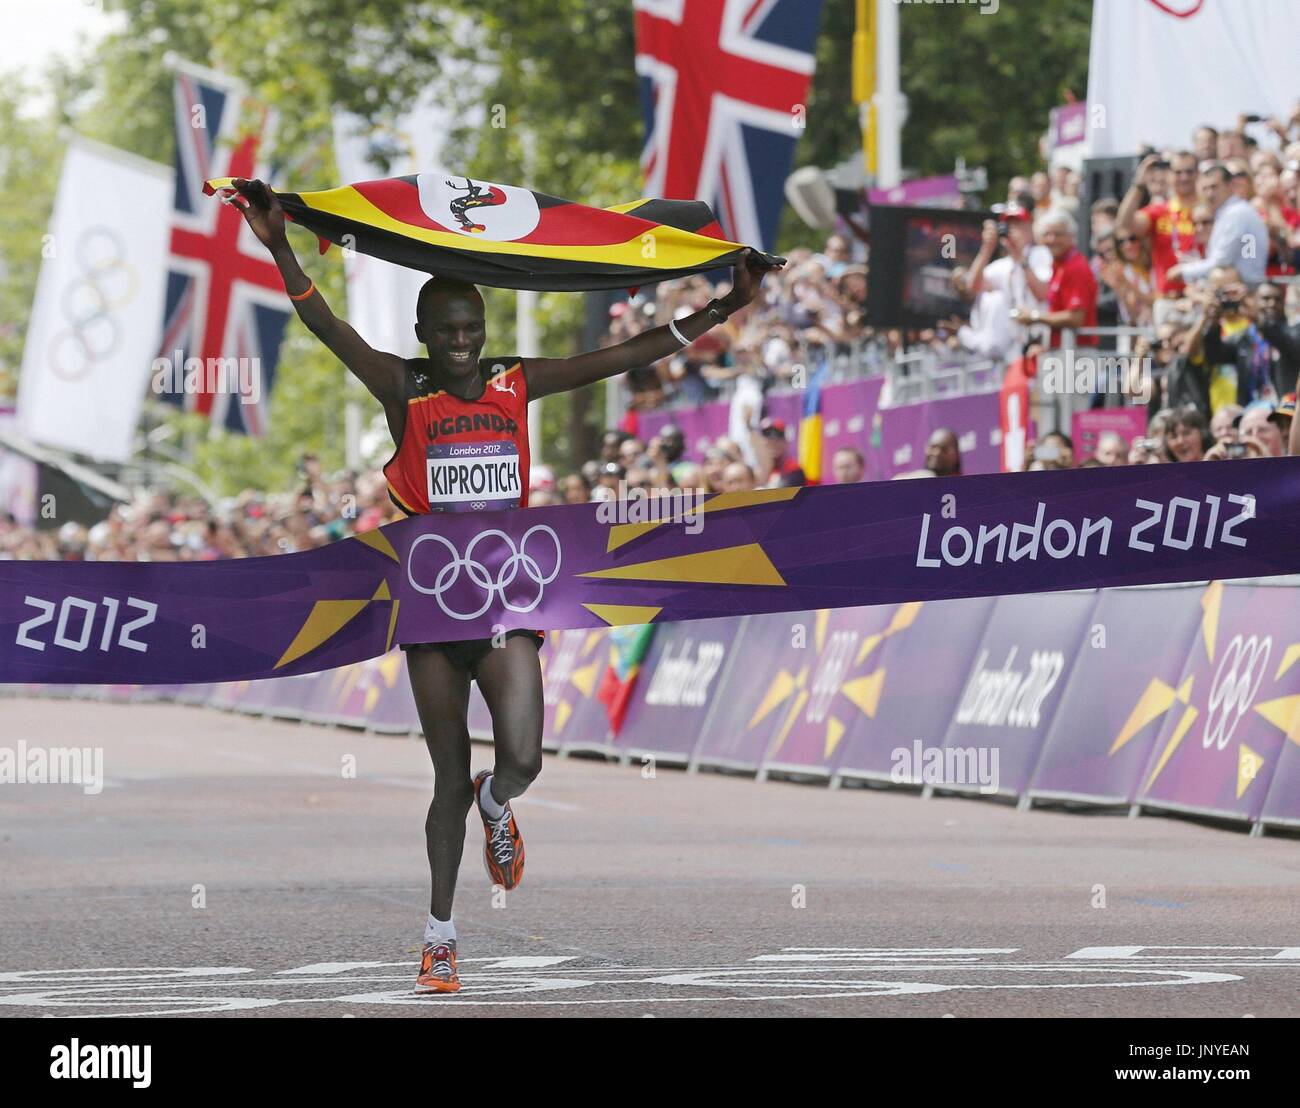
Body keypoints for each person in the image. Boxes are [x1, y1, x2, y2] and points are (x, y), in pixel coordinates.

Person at [225, 175, 777, 994]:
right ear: (421, 332)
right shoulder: (401, 388)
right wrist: (278, 245)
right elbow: (323, 324)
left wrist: (727, 307)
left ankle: (499, 803)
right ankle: (440, 934)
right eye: (446, 329)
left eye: (471, 327)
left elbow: (623, 356)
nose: (460, 341)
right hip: (429, 611)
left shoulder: (515, 381)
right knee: (444, 776)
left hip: (510, 602)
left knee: (523, 756)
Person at [1168, 164, 1269, 289]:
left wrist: (1184, 271)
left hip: (1244, 290)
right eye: (1205, 189)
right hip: (1241, 286)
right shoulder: (1231, 212)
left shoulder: (1236, 213)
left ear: (1230, 185)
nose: (1210, 194)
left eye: (1214, 187)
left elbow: (1221, 262)